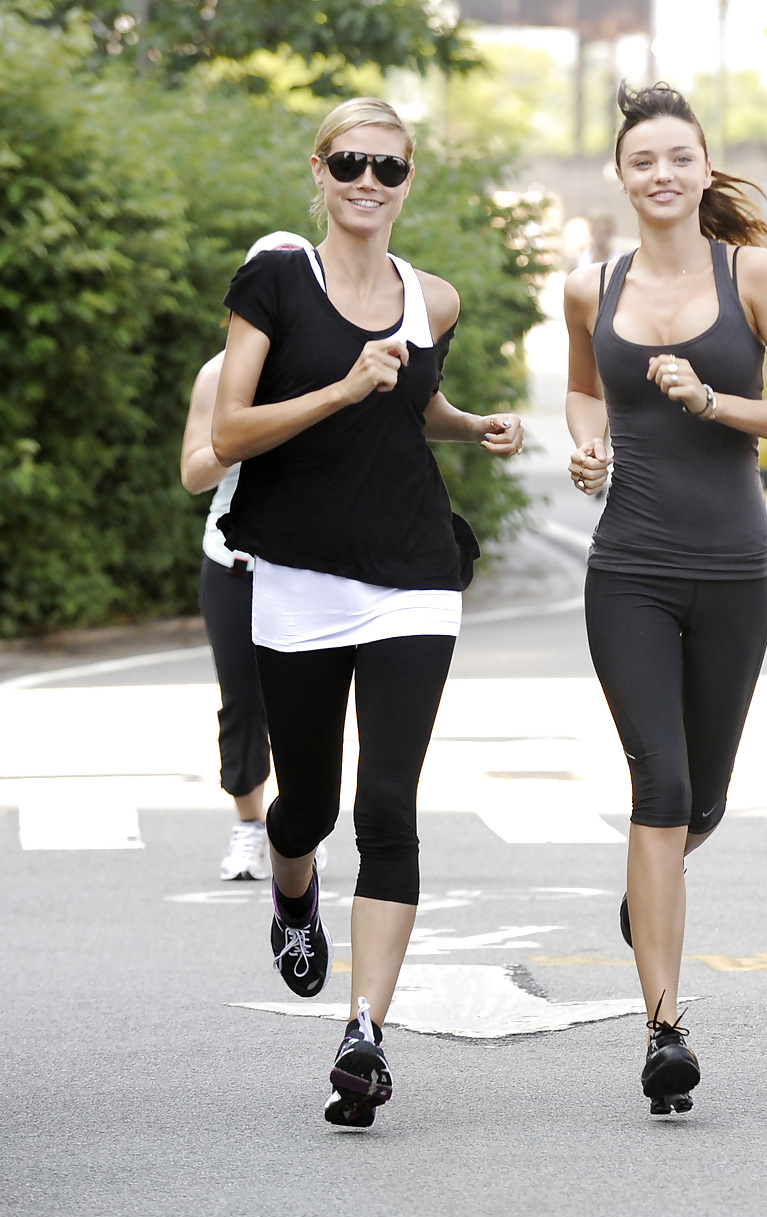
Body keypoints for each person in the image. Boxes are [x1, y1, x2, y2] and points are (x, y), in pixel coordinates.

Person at [212, 97, 522, 1128]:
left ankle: (365, 1034)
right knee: (309, 805)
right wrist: (340, 390)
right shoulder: (275, 280)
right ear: (319, 167)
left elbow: (415, 401)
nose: (366, 182)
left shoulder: (432, 298)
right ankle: (294, 891)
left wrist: (467, 422)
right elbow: (230, 428)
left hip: (413, 571)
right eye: (349, 162)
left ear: (407, 179)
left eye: (387, 167)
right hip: (298, 574)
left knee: (388, 806)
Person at [564, 82, 767, 1117]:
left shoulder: (751, 272)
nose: (660, 173)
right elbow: (585, 387)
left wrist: (713, 400)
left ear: (702, 165)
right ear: (620, 178)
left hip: (733, 571)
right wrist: (588, 443)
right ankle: (664, 1028)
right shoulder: (591, 287)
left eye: (678, 156)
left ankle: (650, 882)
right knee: (658, 787)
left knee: (701, 801)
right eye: (642, 160)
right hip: (625, 566)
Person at [180, 231, 330, 882]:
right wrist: (238, 440)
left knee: (309, 705)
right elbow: (193, 473)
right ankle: (247, 826)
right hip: (234, 563)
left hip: (310, 565)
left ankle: (299, 825)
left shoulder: (332, 367)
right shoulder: (219, 374)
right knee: (243, 702)